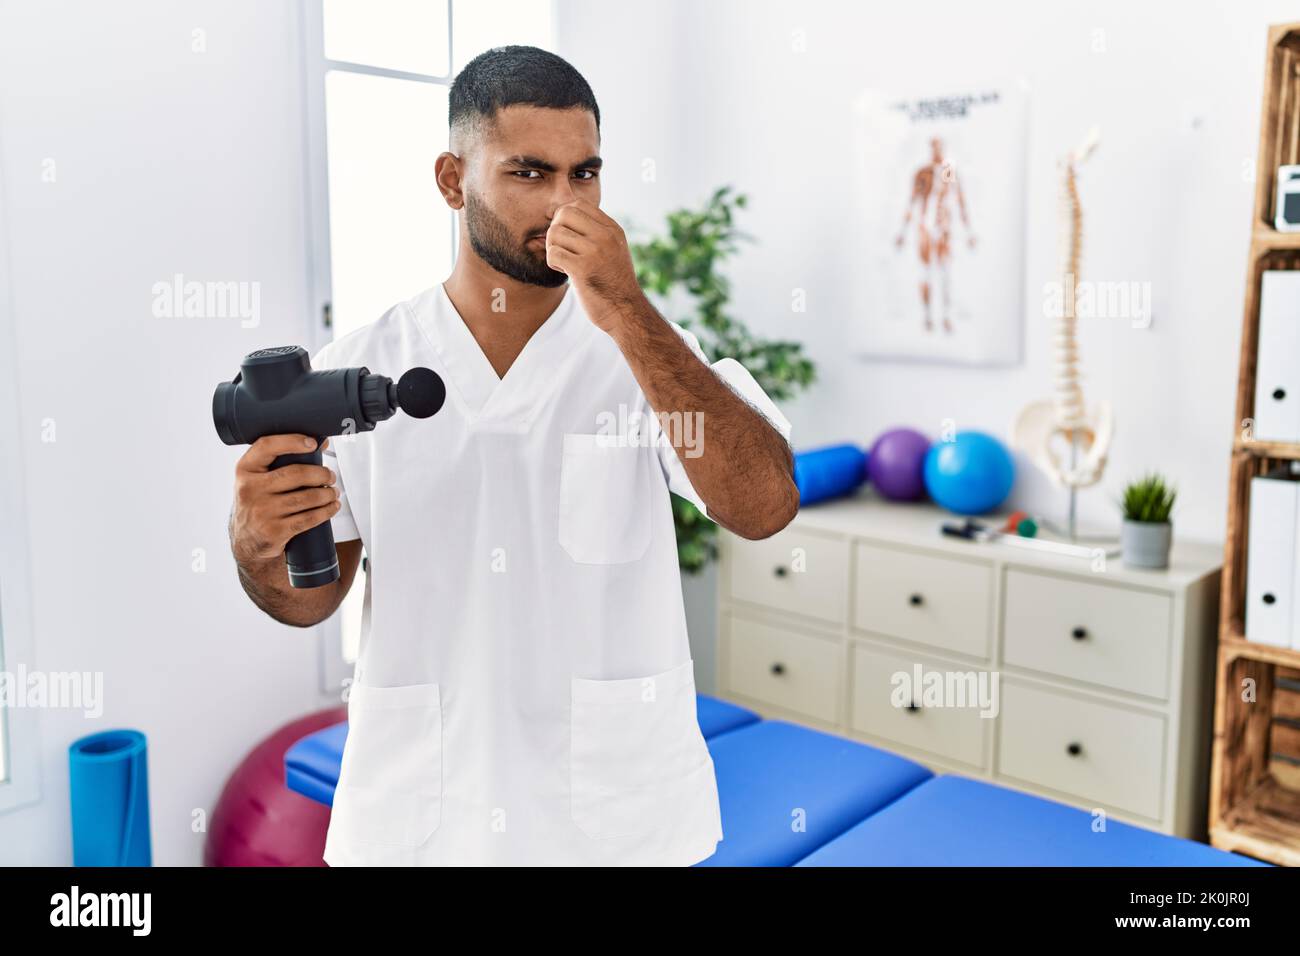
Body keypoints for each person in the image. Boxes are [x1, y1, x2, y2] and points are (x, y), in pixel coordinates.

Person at [226, 46, 797, 866]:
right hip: (425, 816)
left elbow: (765, 506)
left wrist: (627, 309)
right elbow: (306, 602)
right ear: (452, 181)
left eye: (586, 173)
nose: (567, 205)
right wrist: (254, 546)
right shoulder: (358, 367)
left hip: (611, 820)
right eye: (530, 173)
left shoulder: (649, 355)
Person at [894, 136, 977, 333]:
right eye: (935, 147)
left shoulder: (947, 171)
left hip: (943, 228)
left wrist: (968, 232)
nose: (938, 150)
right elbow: (912, 202)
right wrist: (903, 232)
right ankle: (927, 316)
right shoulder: (923, 173)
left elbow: (958, 199)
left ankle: (946, 316)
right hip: (925, 227)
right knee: (925, 272)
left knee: (945, 272)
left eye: (941, 147)